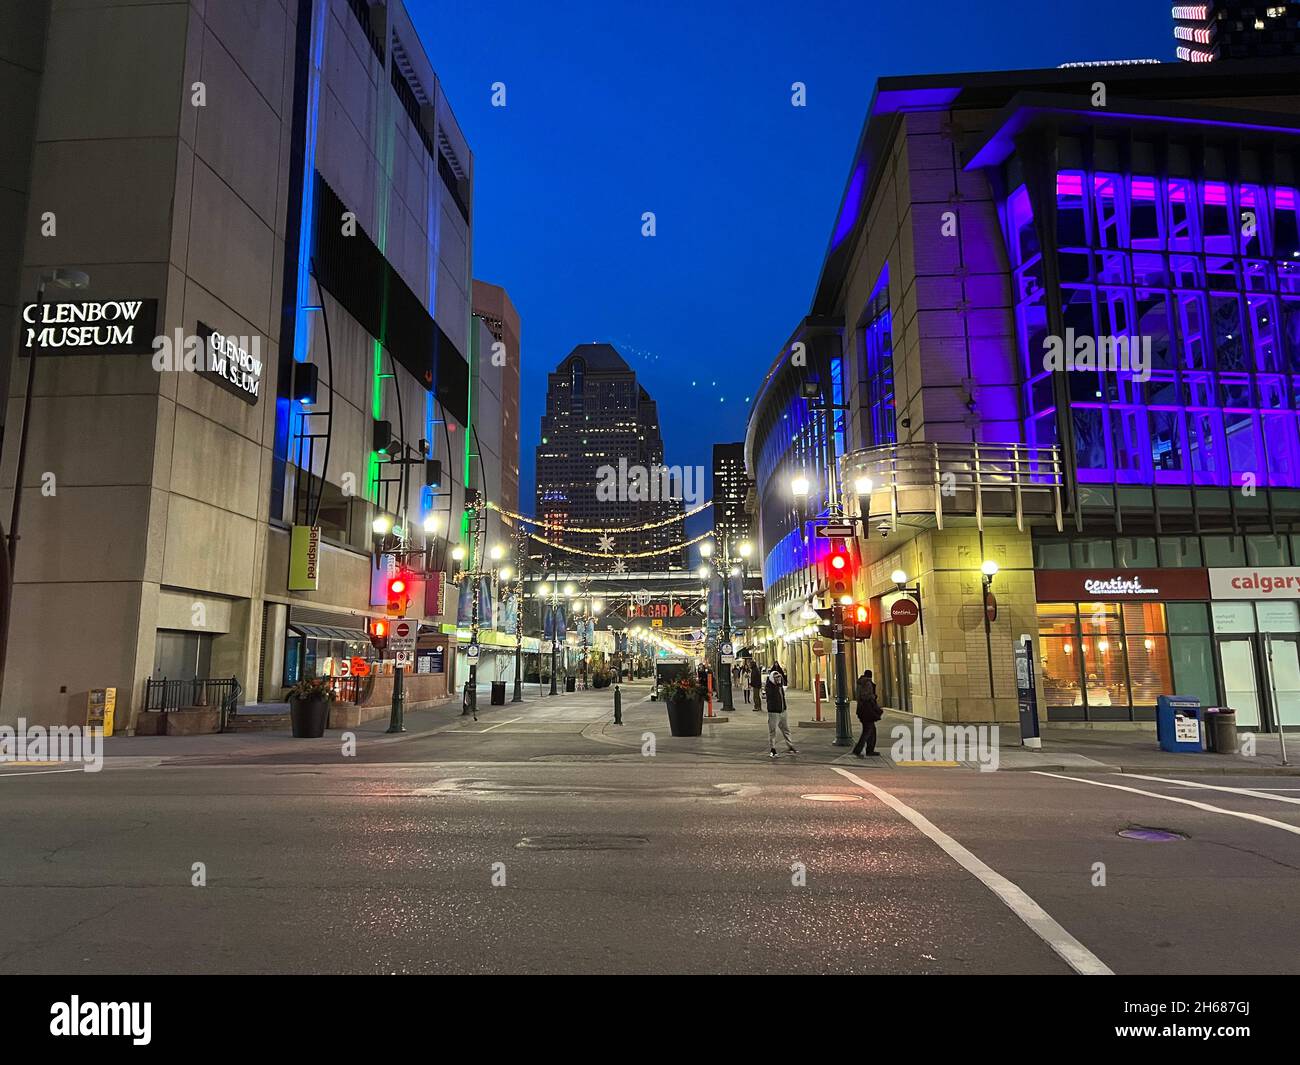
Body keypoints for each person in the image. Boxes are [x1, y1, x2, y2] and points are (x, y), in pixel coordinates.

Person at [764, 661, 796, 758]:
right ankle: (772, 749)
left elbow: (783, 697)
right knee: (772, 731)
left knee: (786, 729)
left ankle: (790, 746)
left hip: (782, 711)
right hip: (774, 712)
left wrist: (784, 708)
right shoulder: (770, 687)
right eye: (776, 678)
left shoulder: (780, 687)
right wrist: (774, 686)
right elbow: (769, 697)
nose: (778, 680)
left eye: (779, 678)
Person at [852, 667, 882, 757]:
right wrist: (873, 696)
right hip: (867, 711)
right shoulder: (867, 683)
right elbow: (865, 696)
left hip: (862, 710)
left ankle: (869, 749)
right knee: (868, 731)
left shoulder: (860, 683)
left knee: (871, 730)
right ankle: (859, 749)